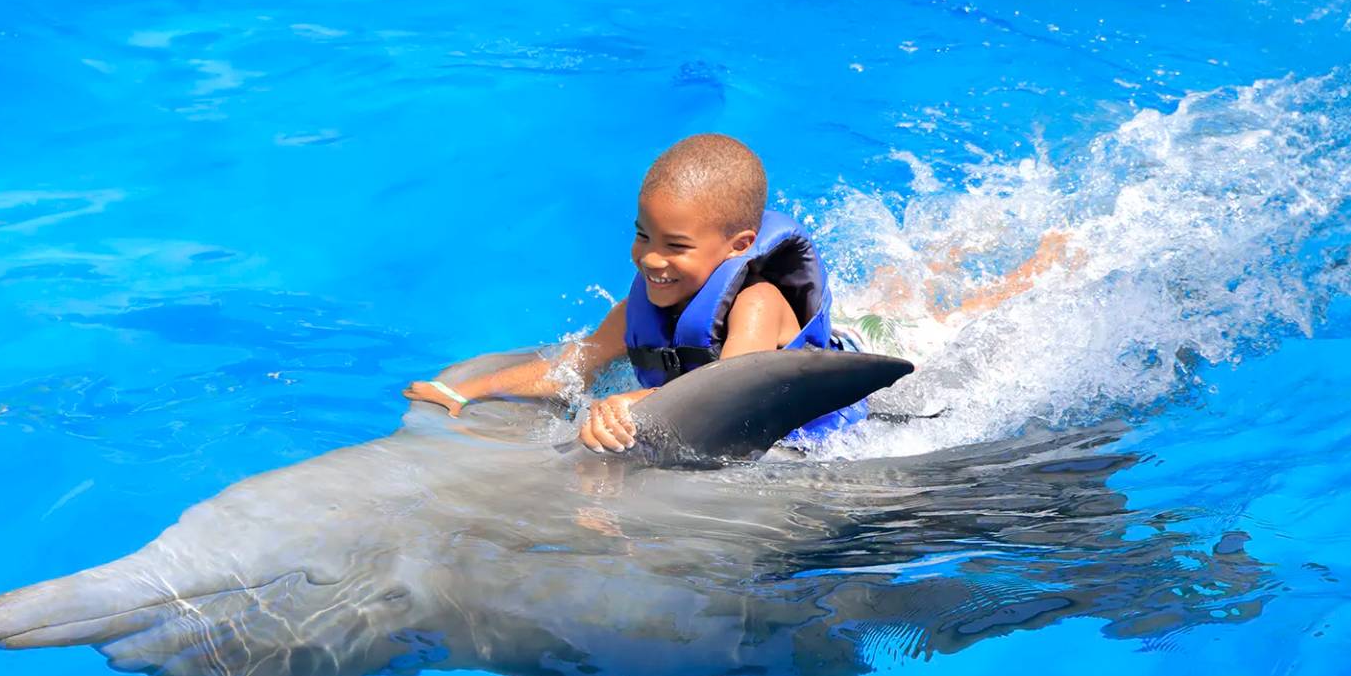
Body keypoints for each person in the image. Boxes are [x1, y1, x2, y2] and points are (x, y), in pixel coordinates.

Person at [404, 133, 1072, 452]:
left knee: (955, 323)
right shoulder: (641, 298)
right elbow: (570, 367)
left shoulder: (754, 303)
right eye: (643, 237)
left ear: (739, 246)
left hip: (863, 386)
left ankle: (1047, 263)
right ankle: (958, 251)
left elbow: (731, 385)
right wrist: (469, 391)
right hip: (836, 334)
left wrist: (625, 408)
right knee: (901, 296)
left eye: (676, 247)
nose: (653, 261)